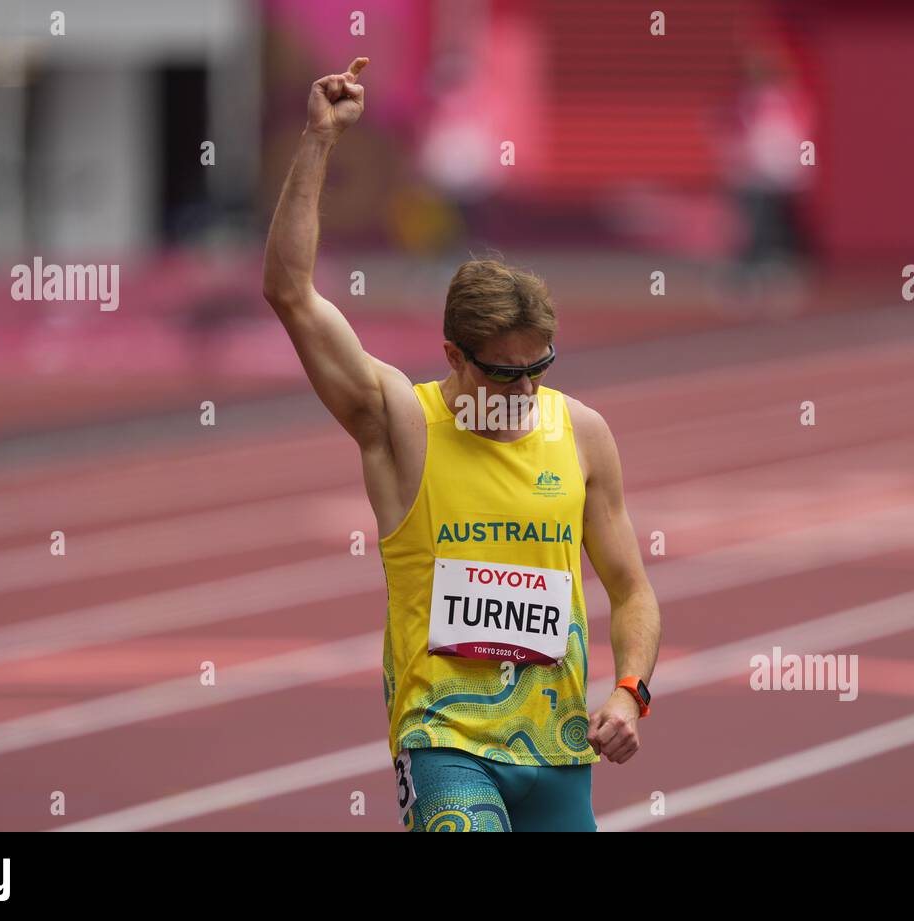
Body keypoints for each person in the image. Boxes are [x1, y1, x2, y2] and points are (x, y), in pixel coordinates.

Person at [262, 57, 661, 832]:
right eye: (504, 375)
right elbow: (290, 292)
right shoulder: (399, 423)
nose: (523, 391)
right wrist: (317, 141)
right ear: (453, 355)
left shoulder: (579, 433)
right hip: (443, 742)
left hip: (556, 754)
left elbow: (632, 588)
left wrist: (629, 691)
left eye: (537, 370)